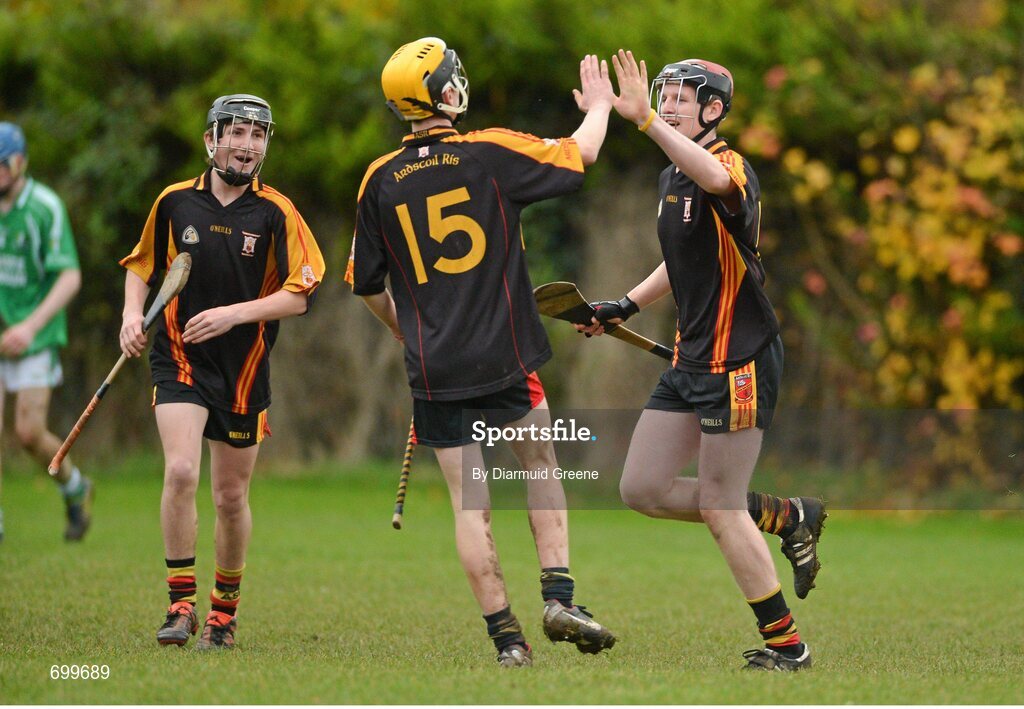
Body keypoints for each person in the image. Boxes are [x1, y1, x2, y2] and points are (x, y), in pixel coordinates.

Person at [346, 38, 617, 667]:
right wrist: (600, 104)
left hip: (433, 367)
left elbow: (364, 284)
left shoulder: (378, 179)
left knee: (472, 505)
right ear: (444, 93)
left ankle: (508, 643)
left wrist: (404, 331)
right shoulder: (489, 150)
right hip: (506, 351)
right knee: (542, 466)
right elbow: (583, 152)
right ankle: (559, 597)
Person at [579, 51, 826, 671]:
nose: (667, 106)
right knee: (642, 488)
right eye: (662, 98)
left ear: (714, 109)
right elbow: (682, 261)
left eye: (680, 99)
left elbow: (719, 184)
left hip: (739, 358)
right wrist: (625, 306)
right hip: (693, 359)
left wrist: (644, 125)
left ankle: (787, 648)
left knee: (720, 505)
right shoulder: (671, 178)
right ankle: (786, 515)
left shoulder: (728, 165)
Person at [119, 94, 325, 651]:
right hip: (180, 357)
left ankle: (223, 616)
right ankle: (180, 604)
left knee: (231, 497)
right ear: (212, 139)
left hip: (243, 367)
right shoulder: (174, 203)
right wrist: (130, 316)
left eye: (258, 135)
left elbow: (300, 294)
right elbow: (142, 266)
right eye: (237, 132)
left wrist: (235, 314)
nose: (247, 144)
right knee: (181, 472)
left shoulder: (276, 212)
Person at [0, 121, 92, 543]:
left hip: (35, 335)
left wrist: (29, 326)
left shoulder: (44, 207)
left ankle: (75, 488)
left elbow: (69, 275)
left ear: (19, 164)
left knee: (27, 434)